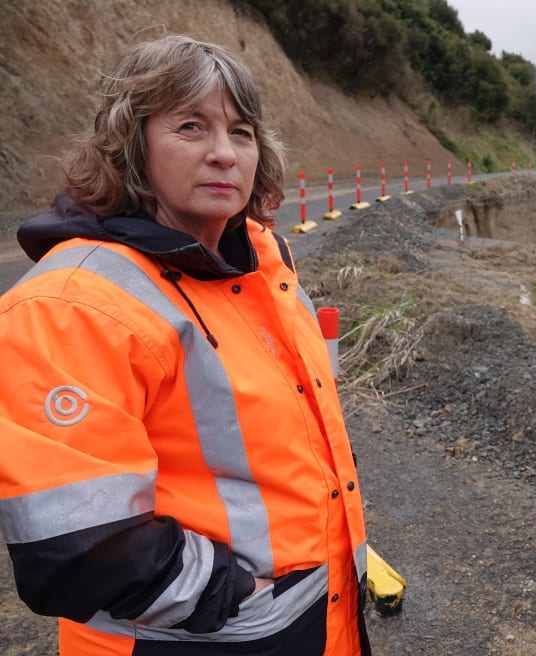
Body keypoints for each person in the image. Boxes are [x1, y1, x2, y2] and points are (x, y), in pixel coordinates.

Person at [0, 35, 370, 655]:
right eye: (192, 127)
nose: (225, 154)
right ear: (131, 148)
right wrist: (235, 598)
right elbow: (74, 543)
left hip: (318, 620)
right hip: (198, 637)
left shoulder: (262, 268)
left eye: (242, 132)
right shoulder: (72, 303)